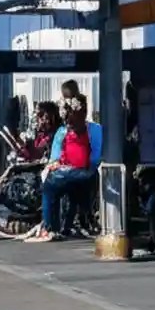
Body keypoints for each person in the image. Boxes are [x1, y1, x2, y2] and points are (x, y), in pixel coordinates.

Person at [27, 93, 101, 243]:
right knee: (74, 190)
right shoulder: (95, 129)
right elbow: (96, 156)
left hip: (69, 171)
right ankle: (76, 223)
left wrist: (57, 166)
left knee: (49, 187)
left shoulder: (62, 131)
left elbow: (54, 158)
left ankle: (49, 228)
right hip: (90, 174)